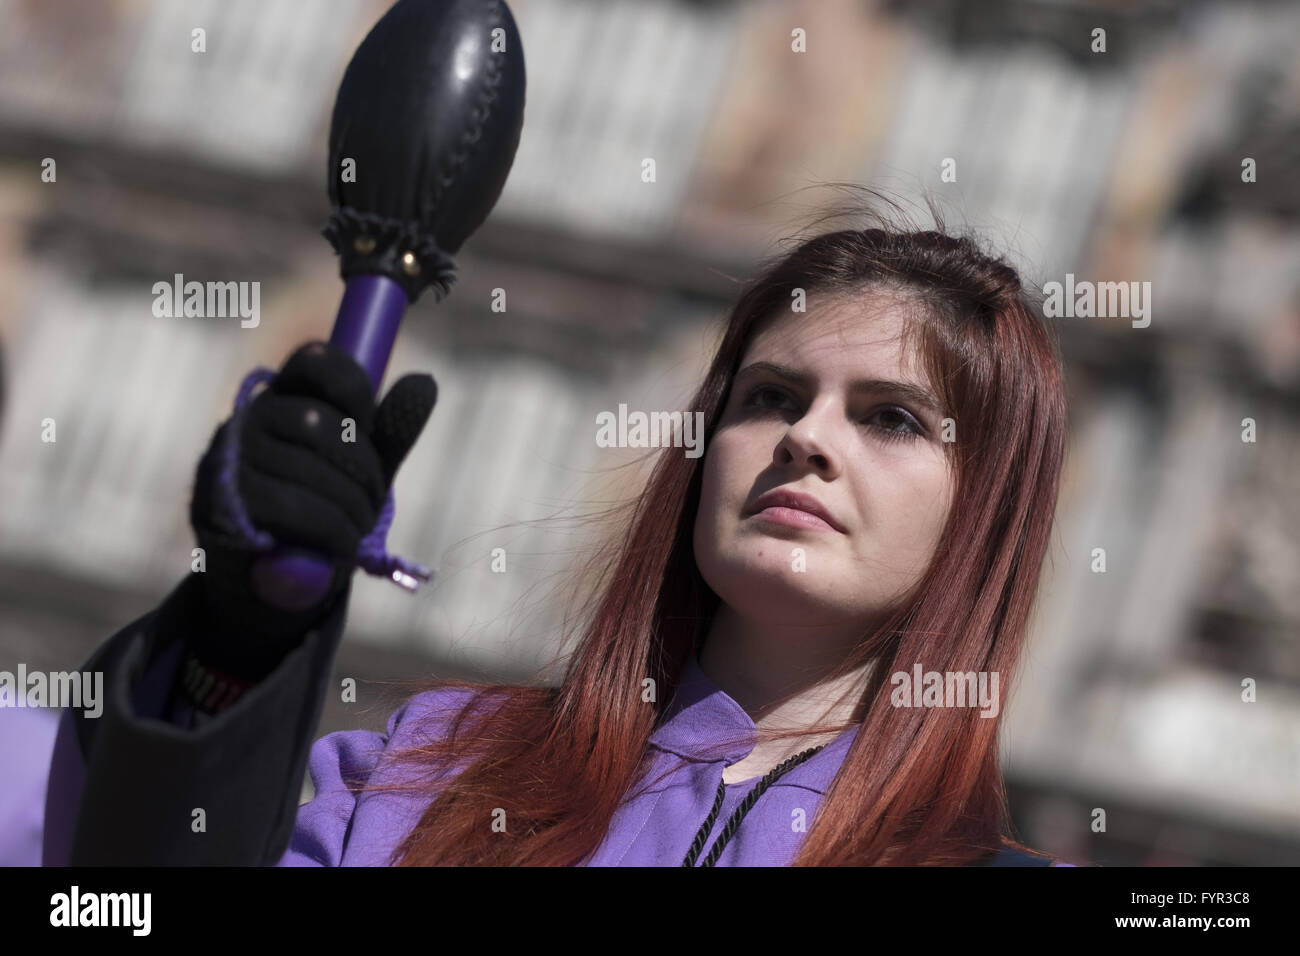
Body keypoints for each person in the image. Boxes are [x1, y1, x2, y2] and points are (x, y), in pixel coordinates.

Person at [43, 199, 1079, 867]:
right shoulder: (434, 768)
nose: (804, 437)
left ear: (984, 509)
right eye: (770, 395)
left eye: (890, 417)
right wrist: (236, 649)